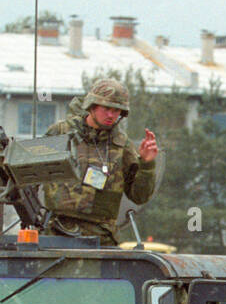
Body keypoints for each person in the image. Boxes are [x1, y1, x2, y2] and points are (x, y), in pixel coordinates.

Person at [41, 77, 158, 245]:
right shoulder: (61, 133)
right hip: (55, 232)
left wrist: (147, 164)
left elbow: (139, 197)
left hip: (101, 238)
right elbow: (30, 175)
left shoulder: (121, 145)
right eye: (106, 108)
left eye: (117, 110)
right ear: (92, 106)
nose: (111, 115)